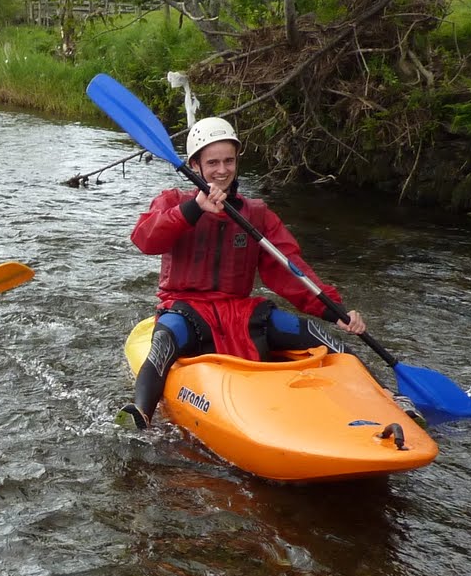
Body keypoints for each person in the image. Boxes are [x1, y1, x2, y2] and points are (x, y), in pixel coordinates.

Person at [125, 116, 368, 426]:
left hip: (239, 312)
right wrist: (194, 209)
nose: (222, 170)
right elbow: (145, 238)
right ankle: (140, 414)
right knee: (164, 343)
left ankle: (384, 397)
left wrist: (337, 312)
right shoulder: (173, 201)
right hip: (186, 309)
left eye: (229, 160)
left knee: (319, 336)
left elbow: (290, 270)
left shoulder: (256, 214)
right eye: (213, 162)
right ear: (195, 166)